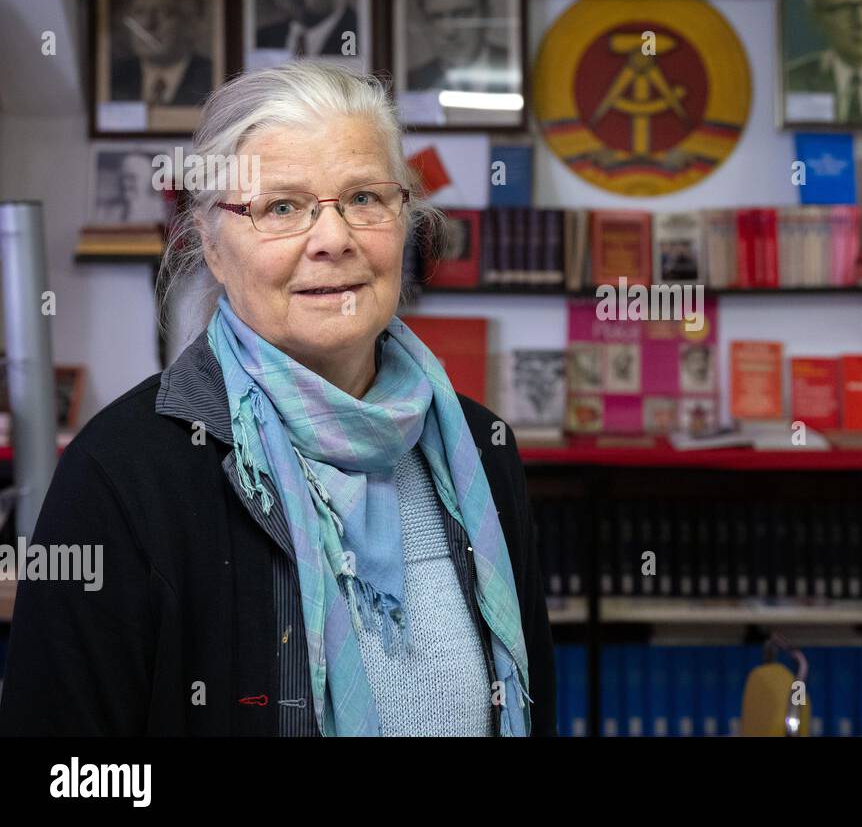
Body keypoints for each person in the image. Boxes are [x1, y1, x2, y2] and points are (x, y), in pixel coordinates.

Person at [0, 61, 556, 737]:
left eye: (364, 198)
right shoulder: (121, 475)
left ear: (406, 218)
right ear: (209, 240)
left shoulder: (480, 449)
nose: (333, 239)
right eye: (282, 207)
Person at [110, 0, 213, 107]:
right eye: (139, 12)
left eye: (165, 13)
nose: (147, 25)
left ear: (192, 25)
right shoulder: (115, 77)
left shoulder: (212, 78)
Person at [406, 0, 510, 93]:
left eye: (462, 14)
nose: (449, 31)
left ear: (487, 14)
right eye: (436, 17)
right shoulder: (411, 81)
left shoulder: (516, 65)